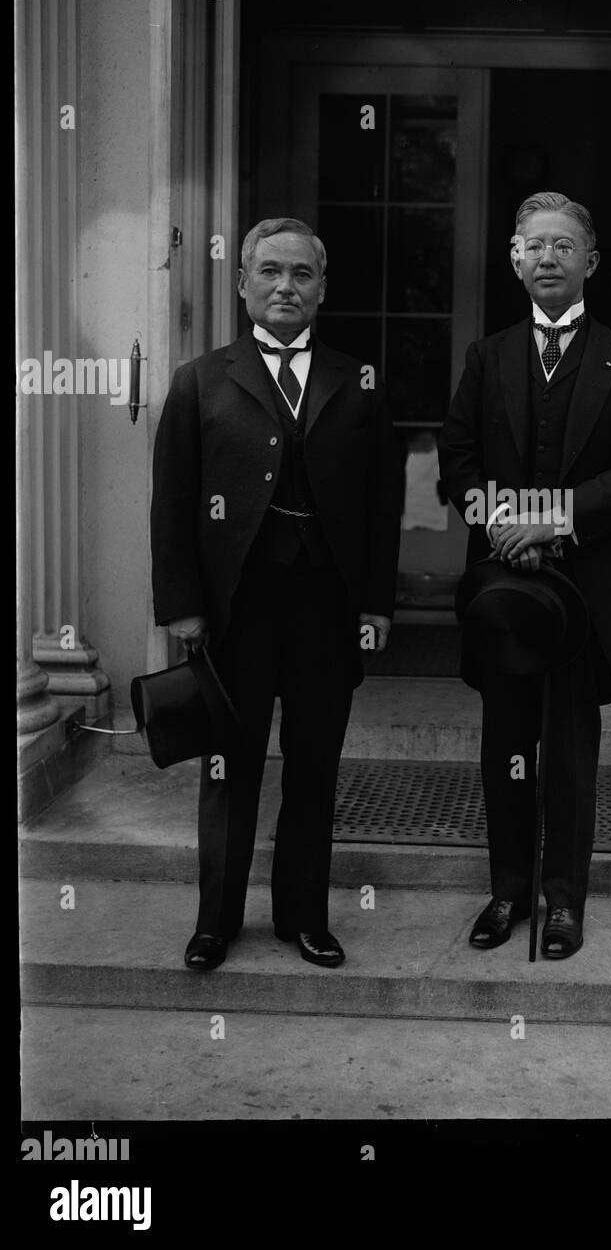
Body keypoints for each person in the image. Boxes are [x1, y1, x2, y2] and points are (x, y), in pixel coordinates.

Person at [150, 218, 401, 971]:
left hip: (326, 606)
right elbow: (172, 501)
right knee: (229, 764)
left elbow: (380, 503)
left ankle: (304, 917)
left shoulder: (357, 381)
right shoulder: (201, 379)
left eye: (300, 274)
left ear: (322, 289)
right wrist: (183, 605)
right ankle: (215, 922)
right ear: (243, 283)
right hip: (236, 609)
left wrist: (376, 605)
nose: (284, 286)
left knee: (315, 763)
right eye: (269, 272)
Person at [438, 192, 611, 959]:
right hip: (503, 587)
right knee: (504, 739)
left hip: (579, 592)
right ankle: (506, 891)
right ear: (512, 258)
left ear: (589, 263)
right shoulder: (487, 355)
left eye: (563, 246)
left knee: (569, 749)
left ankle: (563, 900)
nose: (546, 258)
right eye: (533, 245)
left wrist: (553, 520)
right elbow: (457, 457)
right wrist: (504, 526)